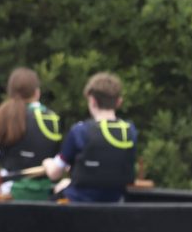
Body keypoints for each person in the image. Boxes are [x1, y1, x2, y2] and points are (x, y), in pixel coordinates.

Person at [42, 71, 138, 203]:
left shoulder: (80, 131)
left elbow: (54, 173)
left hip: (79, 207)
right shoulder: (130, 131)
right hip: (116, 205)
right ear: (119, 102)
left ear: (92, 101)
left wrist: (47, 163)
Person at [0, 66, 64, 201]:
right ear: (37, 92)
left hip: (11, 188)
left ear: (10, 92)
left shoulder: (5, 113)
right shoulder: (52, 117)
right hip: (45, 190)